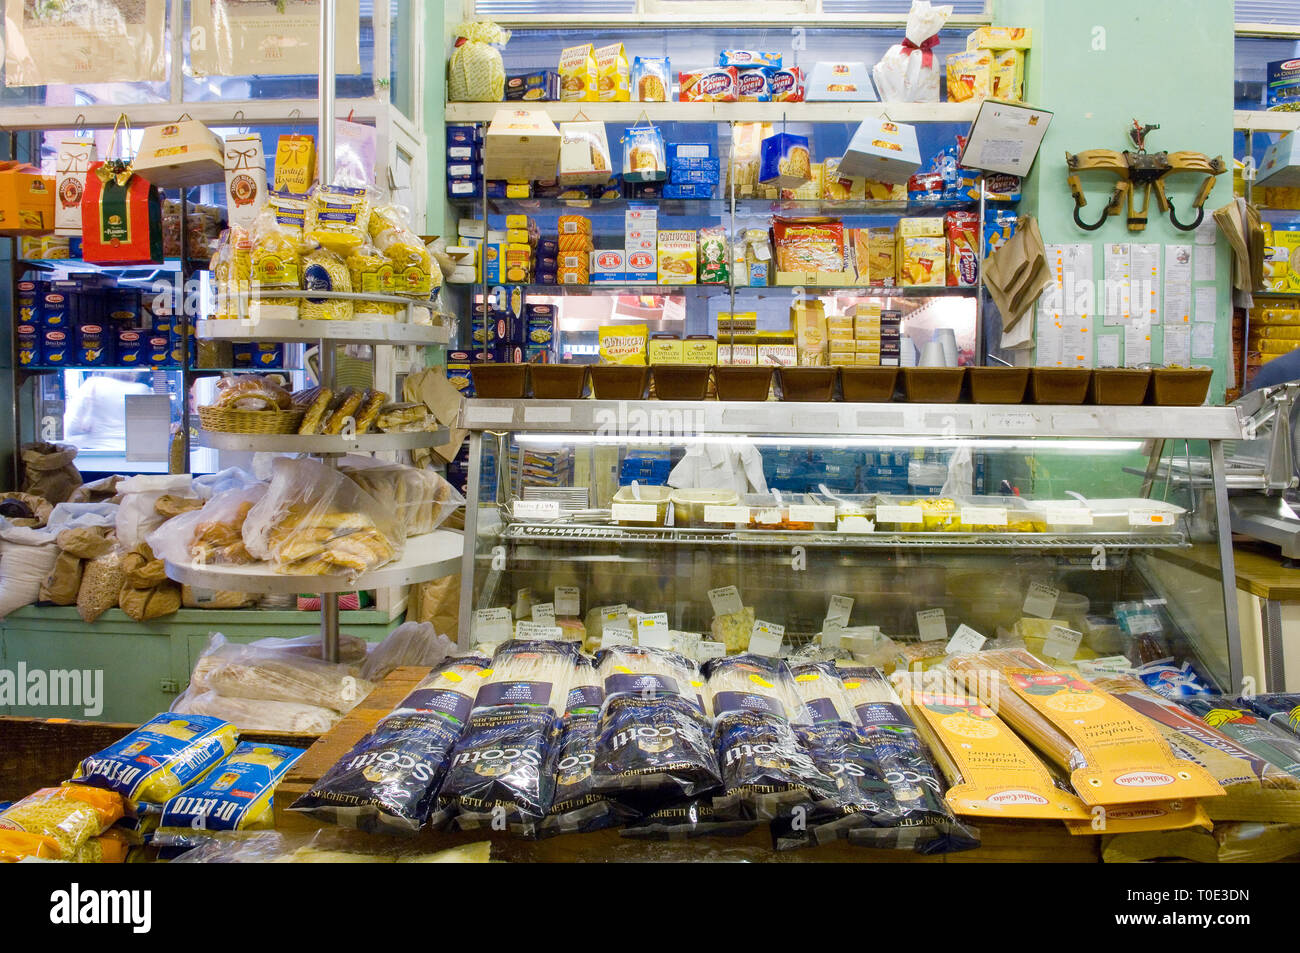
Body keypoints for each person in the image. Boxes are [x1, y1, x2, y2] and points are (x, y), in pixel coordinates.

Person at [64, 371, 153, 451]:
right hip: (132, 455)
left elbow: (70, 426)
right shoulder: (142, 389)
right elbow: (152, 429)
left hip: (96, 452)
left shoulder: (93, 384)